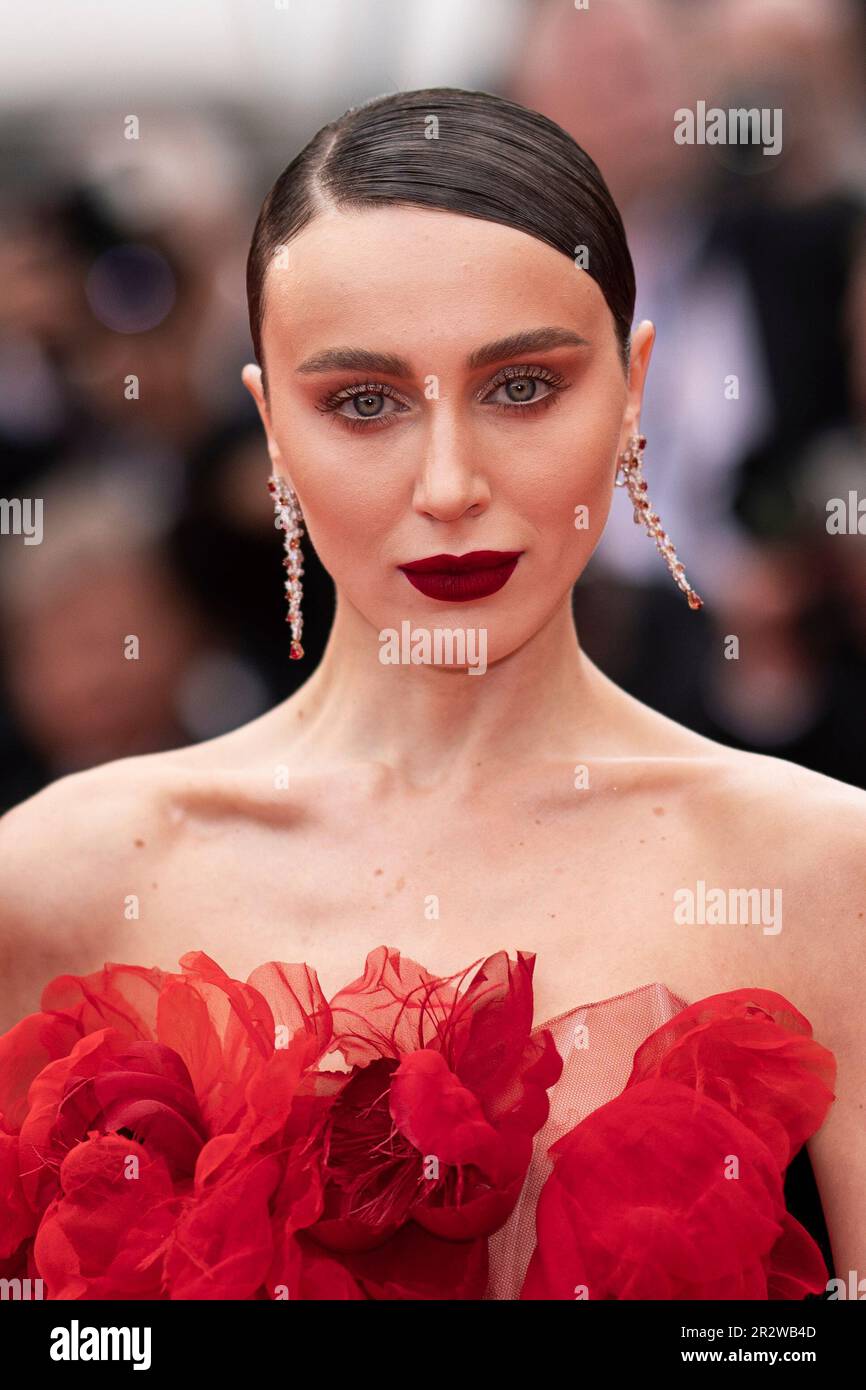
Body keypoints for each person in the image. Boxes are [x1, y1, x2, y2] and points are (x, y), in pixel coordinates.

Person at [1, 88, 863, 1298]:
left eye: (520, 386)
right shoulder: (52, 881)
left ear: (631, 388)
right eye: (364, 402)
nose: (449, 481)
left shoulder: (825, 876)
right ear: (270, 431)